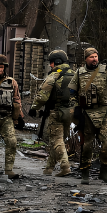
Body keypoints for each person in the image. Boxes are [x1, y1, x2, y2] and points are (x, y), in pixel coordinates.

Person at [75, 47, 107, 183]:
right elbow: (72, 92)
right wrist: (76, 111)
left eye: (96, 56)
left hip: (104, 113)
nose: (94, 59)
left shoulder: (106, 70)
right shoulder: (79, 73)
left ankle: (104, 171)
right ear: (86, 59)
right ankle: (85, 172)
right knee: (87, 145)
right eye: (91, 57)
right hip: (87, 114)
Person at [32, 49, 78, 178]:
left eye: (51, 63)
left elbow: (42, 96)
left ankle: (65, 166)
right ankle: (49, 167)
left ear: (56, 62)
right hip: (71, 112)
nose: (50, 65)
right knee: (59, 140)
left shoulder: (54, 75)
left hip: (56, 112)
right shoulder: (74, 74)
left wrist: (34, 107)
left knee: (56, 140)